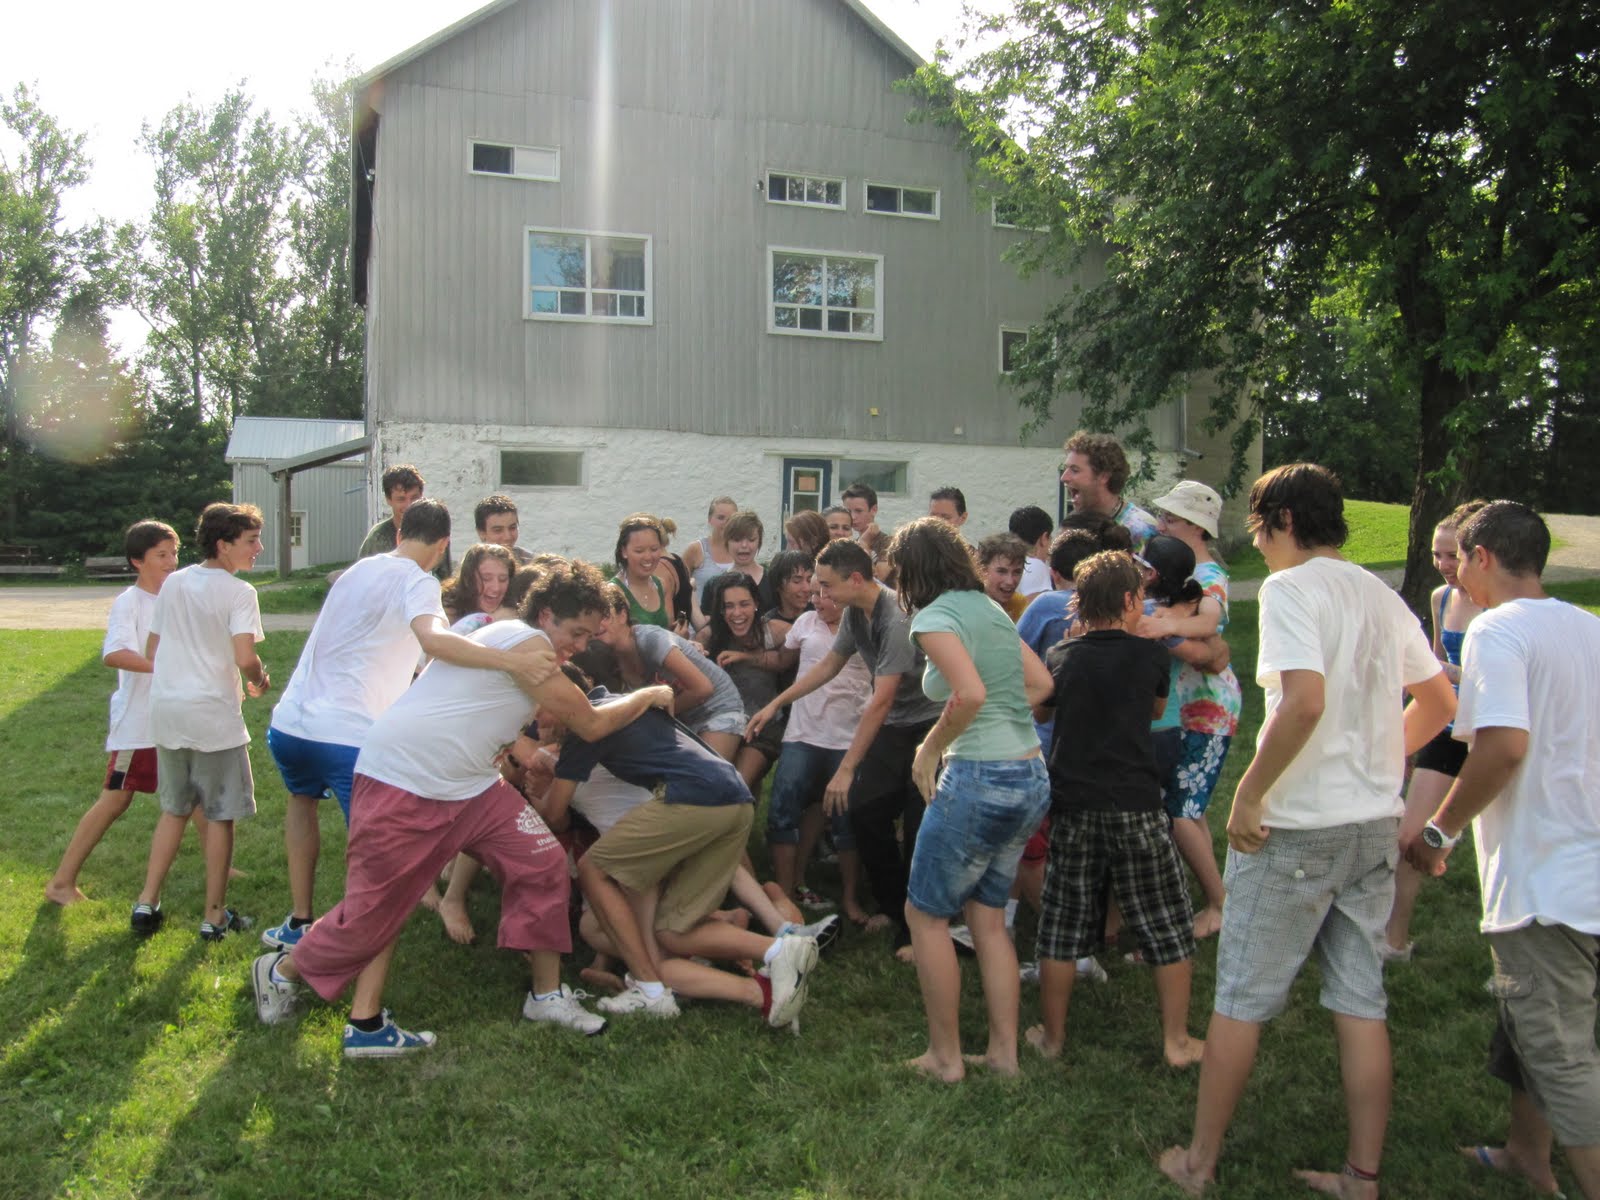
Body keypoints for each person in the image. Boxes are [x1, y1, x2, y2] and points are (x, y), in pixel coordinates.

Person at [1159, 463, 1457, 1199]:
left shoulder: (1293, 590)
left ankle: (1198, 1163)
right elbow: (1440, 701)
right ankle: (1363, 1176)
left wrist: (1249, 796)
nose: (1258, 543)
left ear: (1285, 520)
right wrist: (1378, 760)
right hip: (1370, 824)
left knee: (1241, 995)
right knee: (1361, 999)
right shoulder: (1379, 594)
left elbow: (1302, 703)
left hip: (1295, 830)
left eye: (1259, 528)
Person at [251, 559, 677, 1055]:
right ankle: (282, 970)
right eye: (577, 633)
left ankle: (545, 995)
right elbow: (591, 724)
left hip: (471, 787)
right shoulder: (531, 647)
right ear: (545, 616)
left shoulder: (517, 642)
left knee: (541, 862)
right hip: (403, 780)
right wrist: (650, 693)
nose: (581, 647)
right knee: (374, 911)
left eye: (589, 637)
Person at [1404, 501, 1600, 1200]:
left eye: (1462, 561)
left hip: (1550, 885)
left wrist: (1438, 830)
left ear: (1484, 558)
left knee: (1562, 1054)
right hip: (1586, 867)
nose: (1455, 575)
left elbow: (1504, 747)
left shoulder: (1496, 628)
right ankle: (1526, 1152)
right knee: (1529, 1024)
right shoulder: (1588, 626)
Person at [260, 499, 555, 952]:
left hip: (290, 724)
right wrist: (509, 659)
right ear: (442, 546)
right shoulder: (419, 583)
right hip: (348, 735)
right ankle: (336, 955)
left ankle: (300, 919)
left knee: (301, 805)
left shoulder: (357, 570)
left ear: (399, 536)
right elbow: (436, 643)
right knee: (382, 866)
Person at [546, 665, 821, 1027]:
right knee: (674, 931)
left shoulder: (585, 727)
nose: (535, 717)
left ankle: (649, 990)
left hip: (693, 796)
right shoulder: (619, 702)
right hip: (734, 797)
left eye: (537, 705)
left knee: (593, 869)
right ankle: (781, 949)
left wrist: (542, 769)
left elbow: (553, 815)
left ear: (562, 696)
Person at [887, 517, 1054, 1082]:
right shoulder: (988, 608)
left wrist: (929, 750)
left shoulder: (935, 618)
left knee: (925, 914)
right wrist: (1004, 727)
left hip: (981, 780)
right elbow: (1040, 685)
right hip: (1030, 775)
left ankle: (945, 1057)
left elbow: (970, 693)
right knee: (987, 918)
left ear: (912, 572)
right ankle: (1004, 1055)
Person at [1027, 550, 1206, 1069]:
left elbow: (1041, 707)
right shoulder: (1149, 656)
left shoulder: (1063, 654)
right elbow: (1154, 710)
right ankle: (1176, 1040)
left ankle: (1054, 1038)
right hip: (1135, 802)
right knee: (1166, 921)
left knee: (1060, 925)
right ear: (1130, 601)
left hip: (1074, 803)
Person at [748, 539, 943, 959]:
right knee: (867, 811)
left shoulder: (895, 618)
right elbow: (829, 665)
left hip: (928, 727)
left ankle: (920, 927)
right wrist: (778, 703)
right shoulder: (856, 611)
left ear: (855, 579)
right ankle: (894, 907)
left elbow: (883, 698)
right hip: (894, 726)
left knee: (918, 823)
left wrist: (846, 768)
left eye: (825, 585)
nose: (820, 595)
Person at [132, 503, 271, 941]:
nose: (258, 548)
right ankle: (215, 918)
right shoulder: (238, 593)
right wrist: (259, 679)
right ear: (223, 544)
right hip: (213, 716)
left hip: (168, 712)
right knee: (220, 816)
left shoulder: (174, 582)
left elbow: (152, 649)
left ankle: (146, 902)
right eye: (251, 541)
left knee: (174, 810)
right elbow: (245, 656)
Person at [45, 520, 203, 905]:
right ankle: (61, 883)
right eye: (161, 555)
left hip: (177, 718)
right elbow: (114, 653)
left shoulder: (177, 598)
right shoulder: (129, 603)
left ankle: (220, 862)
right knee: (116, 799)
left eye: (175, 553)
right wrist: (162, 667)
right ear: (137, 561)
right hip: (140, 727)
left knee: (196, 790)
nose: (171, 562)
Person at [1383, 499, 1487, 960]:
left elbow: (1473, 675)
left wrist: (1451, 670)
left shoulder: (1498, 606)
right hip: (1447, 731)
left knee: (1500, 848)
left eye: (1452, 555)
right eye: (1436, 555)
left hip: (1491, 735)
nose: (1445, 566)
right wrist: (1408, 735)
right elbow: (1430, 679)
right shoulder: (1441, 598)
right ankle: (1394, 941)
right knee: (1411, 836)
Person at [1137, 518, 1240, 941]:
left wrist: (1167, 626)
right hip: (1187, 713)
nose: (1161, 521)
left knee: (1181, 812)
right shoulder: (1178, 596)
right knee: (1184, 809)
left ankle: (1220, 905)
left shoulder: (1205, 581)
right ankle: (1219, 898)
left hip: (1206, 713)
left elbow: (1211, 642)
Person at [766, 581, 870, 920]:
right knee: (783, 808)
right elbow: (781, 662)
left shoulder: (865, 626)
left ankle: (851, 899)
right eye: (815, 594)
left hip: (847, 738)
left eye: (826, 594)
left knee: (846, 820)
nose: (818, 601)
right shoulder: (805, 623)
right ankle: (786, 894)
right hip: (802, 733)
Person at [699, 572, 793, 789]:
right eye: (729, 606)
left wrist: (746, 657)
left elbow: (784, 660)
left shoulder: (775, 631)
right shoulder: (708, 637)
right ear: (721, 610)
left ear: (756, 604)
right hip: (722, 723)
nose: (737, 613)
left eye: (744, 604)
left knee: (738, 783)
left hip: (763, 724)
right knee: (718, 782)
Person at [1059, 431, 1157, 549]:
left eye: (1075, 470)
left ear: (1103, 476)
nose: (1064, 478)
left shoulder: (1141, 530)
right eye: (1065, 469)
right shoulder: (1074, 525)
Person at [359, 464, 450, 581]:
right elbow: (363, 580)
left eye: (414, 498)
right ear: (388, 500)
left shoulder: (436, 536)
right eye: (401, 499)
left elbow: (446, 582)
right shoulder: (376, 539)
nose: (409, 505)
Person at [614, 512, 675, 630]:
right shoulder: (615, 591)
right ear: (624, 552)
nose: (648, 557)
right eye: (639, 551)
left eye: (654, 549)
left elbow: (669, 629)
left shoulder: (662, 585)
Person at [682, 495, 738, 625]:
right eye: (720, 518)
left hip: (732, 625)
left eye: (731, 519)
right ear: (709, 520)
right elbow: (680, 586)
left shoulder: (740, 551)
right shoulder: (696, 549)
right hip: (699, 626)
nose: (726, 523)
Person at [441, 543, 515, 626]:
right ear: (467, 579)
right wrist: (492, 619)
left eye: (503, 579)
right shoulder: (443, 615)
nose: (496, 588)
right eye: (486, 578)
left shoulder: (514, 609)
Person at [841, 482, 891, 579]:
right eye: (848, 511)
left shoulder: (889, 543)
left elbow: (877, 579)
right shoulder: (853, 543)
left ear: (873, 510)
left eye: (858, 511)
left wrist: (864, 543)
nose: (852, 517)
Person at [977, 533, 1030, 622]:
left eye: (1017, 572)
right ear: (982, 570)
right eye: (1001, 571)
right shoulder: (969, 605)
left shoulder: (1019, 605)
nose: (1010, 581)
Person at [761, 550, 815, 636]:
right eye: (797, 581)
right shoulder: (768, 624)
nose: (807, 588)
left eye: (809, 580)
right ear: (778, 584)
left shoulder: (819, 613)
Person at [474, 494, 533, 565]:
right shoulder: (472, 568)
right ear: (481, 533)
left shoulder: (529, 563)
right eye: (498, 530)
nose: (507, 537)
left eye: (512, 528)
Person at [1009, 505, 1055, 599]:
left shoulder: (1006, 564)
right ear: (1044, 538)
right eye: (1050, 538)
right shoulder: (1036, 566)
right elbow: (1038, 610)